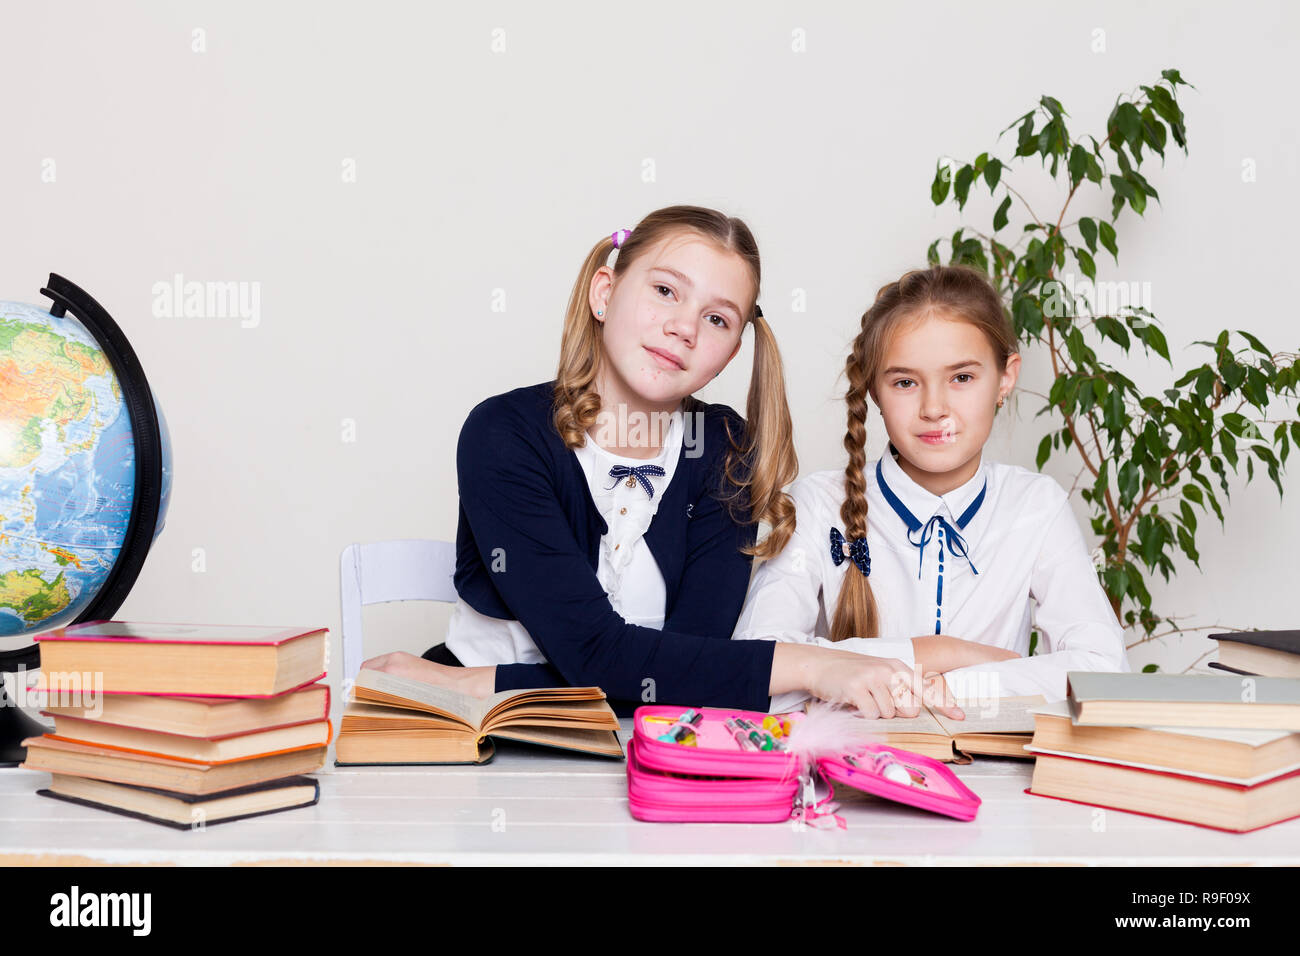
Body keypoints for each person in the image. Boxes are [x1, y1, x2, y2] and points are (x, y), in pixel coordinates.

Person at [362, 205, 949, 718]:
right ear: (604, 292)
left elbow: (687, 670)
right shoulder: (505, 435)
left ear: (731, 352)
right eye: (665, 290)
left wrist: (473, 684)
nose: (683, 328)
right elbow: (609, 655)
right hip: (479, 733)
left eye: (717, 319)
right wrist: (811, 667)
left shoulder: (724, 450)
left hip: (615, 733)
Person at [733, 265, 1131, 712]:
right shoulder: (817, 505)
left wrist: (953, 686)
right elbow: (753, 661)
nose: (934, 408)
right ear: (874, 391)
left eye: (962, 378)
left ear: (1005, 378)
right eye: (905, 382)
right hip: (850, 770)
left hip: (992, 778)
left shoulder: (1036, 506)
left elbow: (1102, 668)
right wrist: (945, 652)